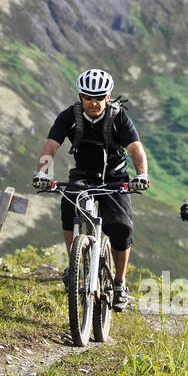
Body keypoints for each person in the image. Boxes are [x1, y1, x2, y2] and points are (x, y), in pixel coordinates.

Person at [31, 68, 150, 312]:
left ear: (108, 96)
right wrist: (43, 173)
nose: (93, 103)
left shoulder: (119, 118)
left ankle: (119, 284)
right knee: (67, 207)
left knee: (121, 227)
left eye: (99, 97)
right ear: (80, 96)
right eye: (88, 97)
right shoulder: (69, 116)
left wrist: (141, 176)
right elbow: (51, 145)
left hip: (115, 178)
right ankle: (73, 268)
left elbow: (136, 149)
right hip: (83, 176)